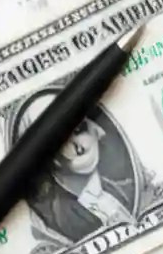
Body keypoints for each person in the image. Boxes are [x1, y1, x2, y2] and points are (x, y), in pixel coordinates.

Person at [16, 91, 138, 242]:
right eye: (59, 141)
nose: (77, 145)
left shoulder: (125, 189)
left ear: (95, 130)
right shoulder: (57, 220)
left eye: (79, 129)